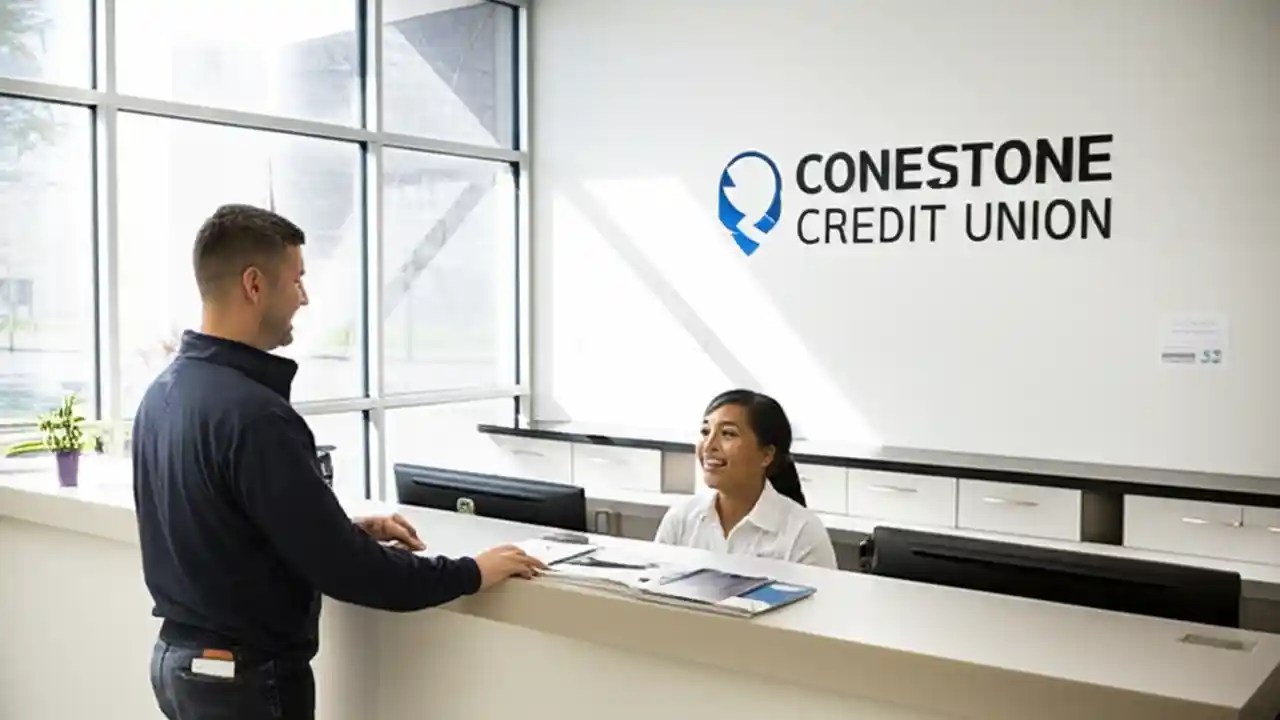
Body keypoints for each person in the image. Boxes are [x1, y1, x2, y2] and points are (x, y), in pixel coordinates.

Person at [132, 204, 545, 720]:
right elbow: (349, 571)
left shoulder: (164, 393)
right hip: (243, 680)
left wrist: (339, 528)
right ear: (254, 285)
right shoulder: (254, 414)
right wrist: (472, 572)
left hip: (180, 667)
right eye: (297, 280)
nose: (304, 298)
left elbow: (219, 526)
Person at [654, 389, 838, 569]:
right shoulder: (681, 518)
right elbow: (652, 584)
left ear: (766, 455)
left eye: (728, 433)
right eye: (705, 431)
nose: (709, 445)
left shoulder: (803, 532)